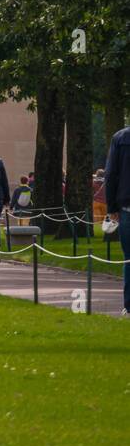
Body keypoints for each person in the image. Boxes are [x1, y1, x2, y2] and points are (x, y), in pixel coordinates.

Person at [100, 123, 130, 315]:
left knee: (129, 259)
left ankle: (129, 306)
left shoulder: (120, 138)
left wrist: (111, 207)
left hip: (127, 206)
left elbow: (110, 175)